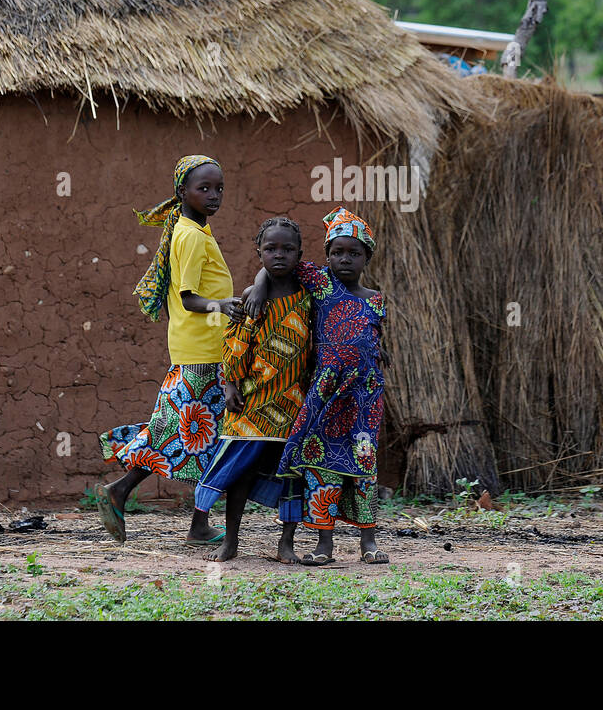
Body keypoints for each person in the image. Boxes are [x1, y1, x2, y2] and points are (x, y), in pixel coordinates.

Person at [95, 155, 243, 545]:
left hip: (203, 347)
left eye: (219, 188)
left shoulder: (195, 228)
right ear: (182, 193)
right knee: (188, 434)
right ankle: (121, 490)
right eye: (204, 188)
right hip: (201, 351)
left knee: (201, 436)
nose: (214, 196)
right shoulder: (191, 236)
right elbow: (190, 297)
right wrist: (224, 305)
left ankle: (194, 523)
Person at [246, 207, 389, 566]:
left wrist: (376, 348)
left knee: (363, 465)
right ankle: (324, 545)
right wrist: (259, 288)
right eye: (337, 252)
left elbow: (369, 331)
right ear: (326, 256)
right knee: (321, 462)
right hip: (326, 393)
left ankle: (368, 543)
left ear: (367, 257)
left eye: (353, 253)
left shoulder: (376, 299)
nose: (344, 259)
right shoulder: (322, 284)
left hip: (363, 396)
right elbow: (277, 263)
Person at [194, 217, 314, 564]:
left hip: (293, 400)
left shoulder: (308, 296)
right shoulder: (252, 295)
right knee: (240, 472)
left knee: (292, 472)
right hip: (252, 399)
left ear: (300, 254)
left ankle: (285, 543)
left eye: (288, 249)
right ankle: (231, 541)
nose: (279, 256)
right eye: (270, 249)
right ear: (258, 252)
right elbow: (236, 340)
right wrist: (230, 382)